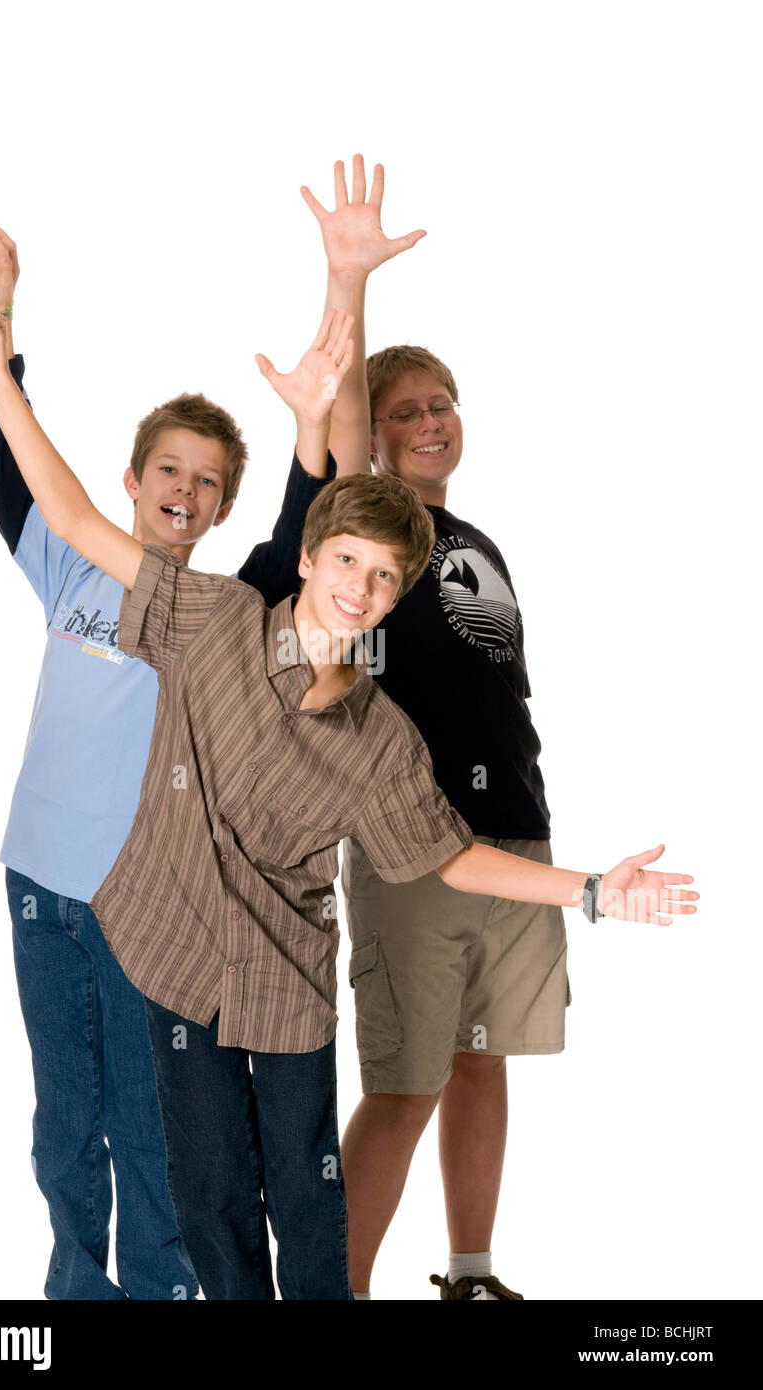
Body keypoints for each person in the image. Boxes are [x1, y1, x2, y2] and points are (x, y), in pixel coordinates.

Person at [0, 295, 696, 1301]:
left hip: (285, 983)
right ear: (305, 560)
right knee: (208, 1189)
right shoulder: (211, 620)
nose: (359, 587)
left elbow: (444, 855)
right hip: (171, 957)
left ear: (394, 599)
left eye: (383, 579)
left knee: (303, 1196)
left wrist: (594, 891)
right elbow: (77, 520)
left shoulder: (379, 740)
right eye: (344, 562)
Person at [299, 155, 665, 1300]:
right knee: (402, 1083)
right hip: (417, 845)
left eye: (436, 404)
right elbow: (341, 425)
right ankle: (334, 1293)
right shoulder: (370, 531)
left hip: (514, 834)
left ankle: (466, 1272)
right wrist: (348, 285)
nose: (422, 421)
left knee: (477, 1063)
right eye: (400, 409)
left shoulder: (479, 540)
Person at [0, 222, 347, 1300]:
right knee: (63, 1132)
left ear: (220, 508)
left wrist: (309, 429)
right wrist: (1, 327)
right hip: (42, 890)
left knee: (153, 1137)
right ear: (131, 482)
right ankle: (72, 1296)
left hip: (152, 917)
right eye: (167, 469)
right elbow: (12, 469)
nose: (184, 488)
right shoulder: (67, 564)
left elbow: (297, 534)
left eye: (207, 480)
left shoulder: (228, 614)